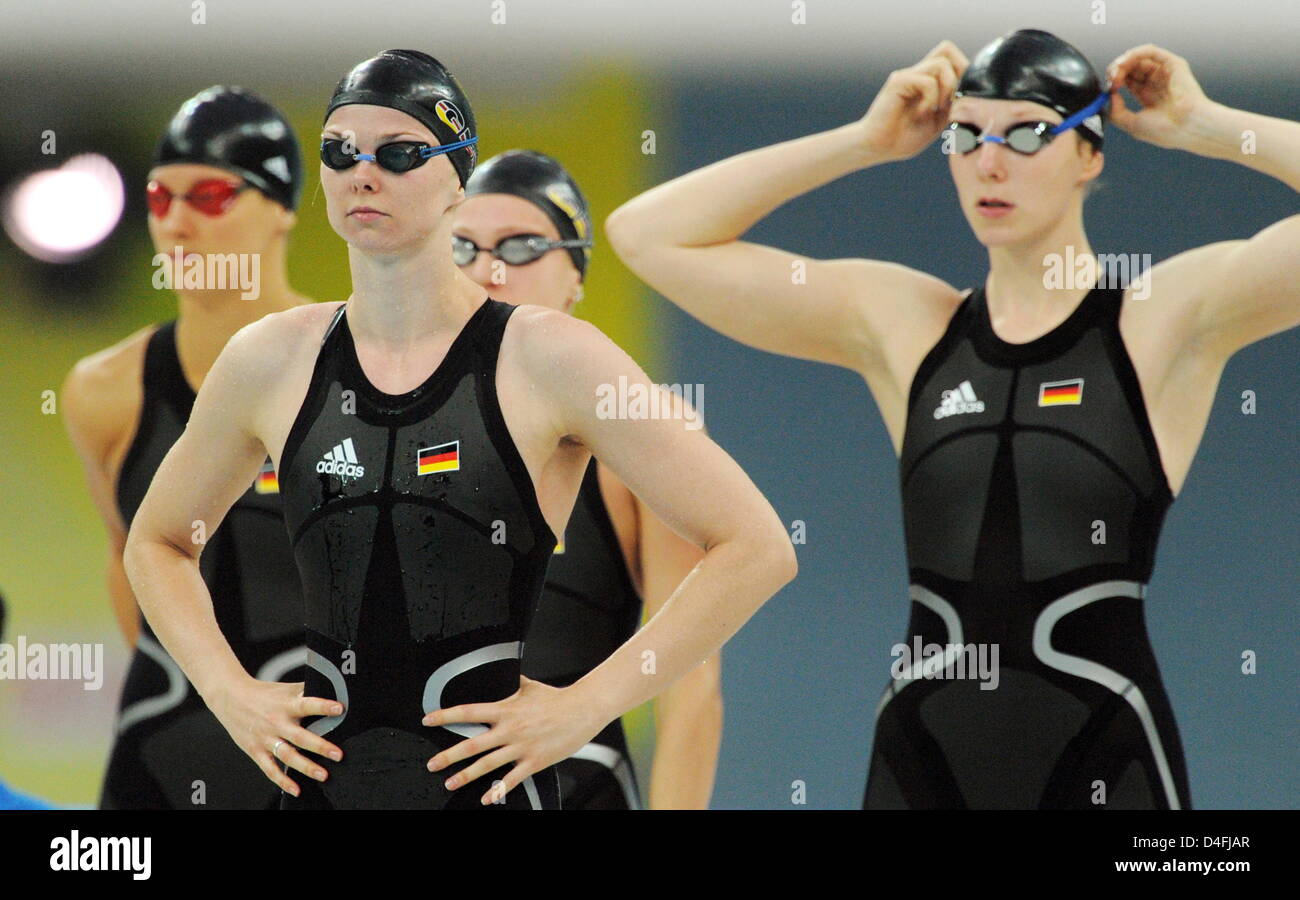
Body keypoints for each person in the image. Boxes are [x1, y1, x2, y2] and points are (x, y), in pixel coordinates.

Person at [605, 29, 1299, 809]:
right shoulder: (908, 328)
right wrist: (861, 143)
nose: (989, 162)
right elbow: (646, 234)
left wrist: (1209, 126)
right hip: (922, 762)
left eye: (1028, 133)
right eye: (968, 135)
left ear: (1090, 154)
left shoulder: (1160, 321)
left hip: (1105, 759)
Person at [122, 49, 795, 810]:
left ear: (456, 179)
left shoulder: (548, 358)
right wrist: (228, 690)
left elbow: (757, 548)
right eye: (341, 153)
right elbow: (157, 541)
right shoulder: (271, 359)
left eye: (400, 153)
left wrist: (586, 705)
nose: (362, 174)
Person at [62, 85, 312, 809]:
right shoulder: (104, 391)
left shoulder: (353, 364)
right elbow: (127, 556)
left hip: (318, 747)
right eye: (159, 199)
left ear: (283, 209)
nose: (176, 225)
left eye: (209, 197)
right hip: (162, 744)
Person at [453, 149, 722, 809]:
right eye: (461, 247)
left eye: (521, 246)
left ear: (575, 274)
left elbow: (691, 693)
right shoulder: (393, 424)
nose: (488, 270)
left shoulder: (636, 433)